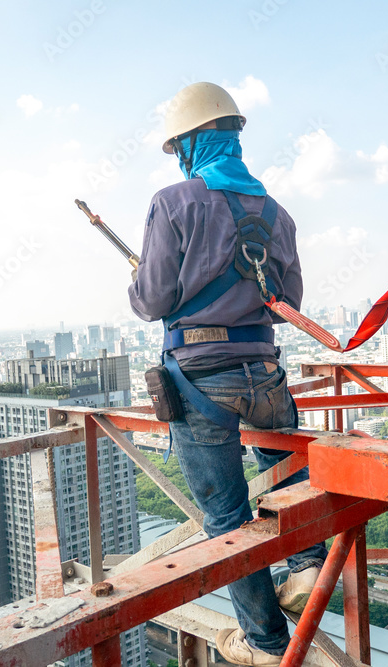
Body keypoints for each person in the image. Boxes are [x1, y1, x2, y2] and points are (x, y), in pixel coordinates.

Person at [128, 81, 328, 666]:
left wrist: (145, 279)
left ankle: (266, 643)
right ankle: (310, 566)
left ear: (190, 143)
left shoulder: (173, 202)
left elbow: (153, 298)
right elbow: (286, 297)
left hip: (199, 377)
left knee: (227, 518)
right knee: (290, 476)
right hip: (264, 373)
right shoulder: (277, 213)